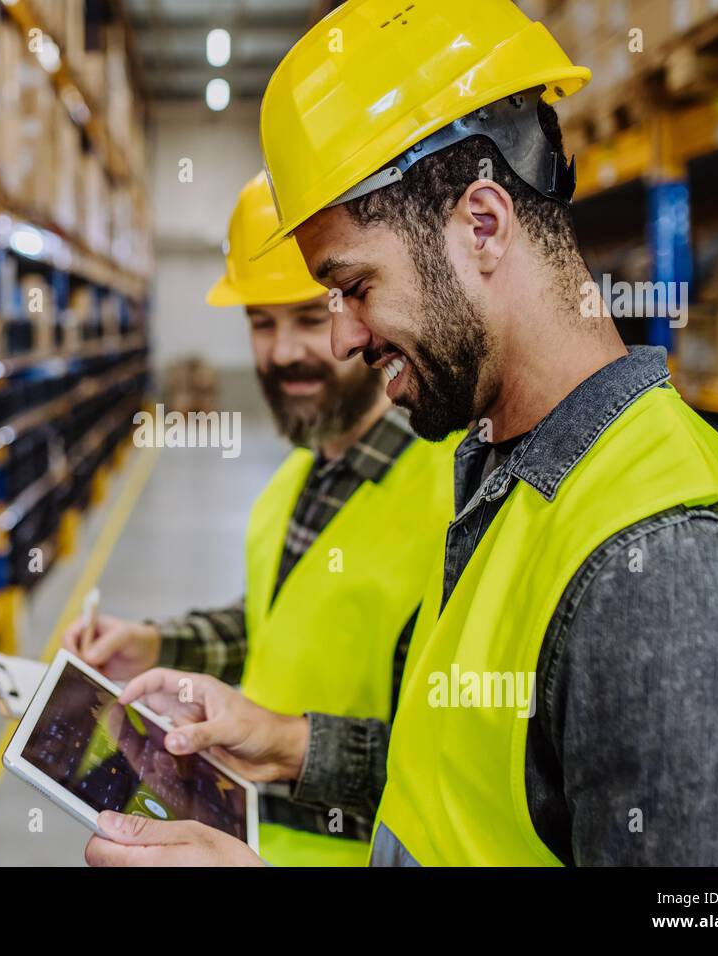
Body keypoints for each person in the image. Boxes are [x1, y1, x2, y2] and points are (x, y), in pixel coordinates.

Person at [85, 0, 718, 867]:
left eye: (354, 288)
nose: (341, 340)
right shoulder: (504, 478)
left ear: (482, 223)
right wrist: (293, 745)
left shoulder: (668, 572)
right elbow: (467, 793)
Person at [61, 173, 457, 866]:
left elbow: (460, 768)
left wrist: (286, 742)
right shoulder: (293, 482)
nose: (282, 355)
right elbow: (276, 624)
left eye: (308, 318)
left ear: (359, 314)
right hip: (254, 840)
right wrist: (156, 645)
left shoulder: (452, 499)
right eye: (260, 324)